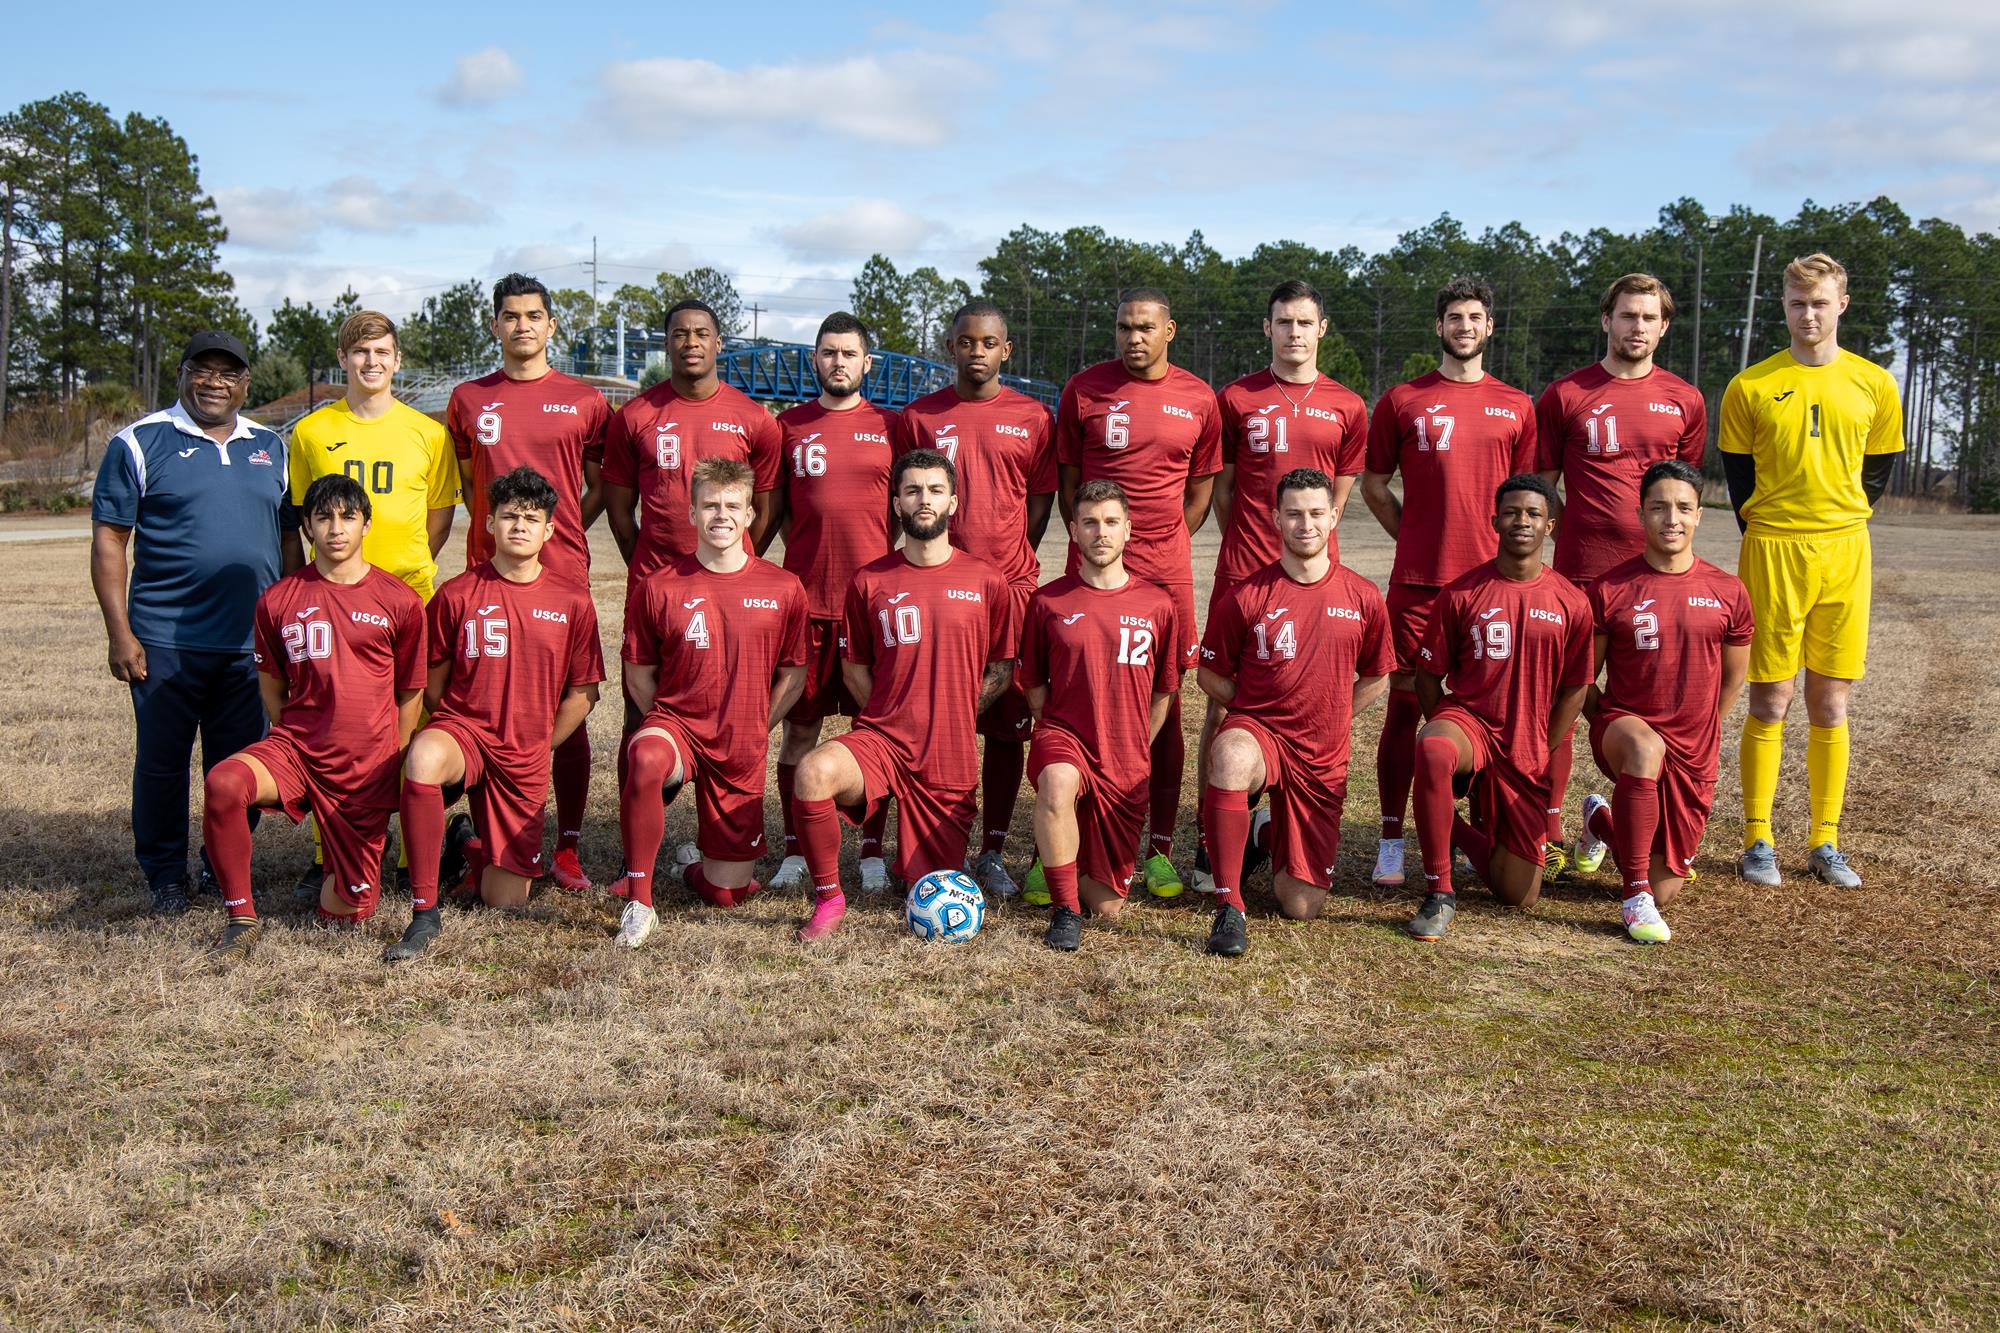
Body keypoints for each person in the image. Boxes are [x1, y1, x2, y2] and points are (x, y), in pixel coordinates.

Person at [90, 330, 302, 916]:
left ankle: (220, 867)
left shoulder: (271, 446)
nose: (215, 382)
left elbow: (289, 538)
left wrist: (287, 621)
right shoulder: (139, 442)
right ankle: (165, 875)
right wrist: (120, 632)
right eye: (202, 370)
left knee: (240, 765)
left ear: (246, 383)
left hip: (248, 644)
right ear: (181, 375)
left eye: (228, 373)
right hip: (165, 642)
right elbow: (110, 538)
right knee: (161, 763)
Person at [1721, 252, 1903, 889]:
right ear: (1784, 306)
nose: (1808, 314)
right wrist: (1781, 530)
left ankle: (1825, 841)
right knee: (1771, 698)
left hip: (1845, 550)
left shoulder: (1875, 384)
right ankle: (1758, 838)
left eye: (1820, 303)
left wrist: (1834, 521)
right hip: (1772, 549)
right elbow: (1740, 484)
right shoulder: (1750, 386)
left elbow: (1878, 473)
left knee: (1831, 701)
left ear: (1841, 305)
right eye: (1798, 304)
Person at [789, 449, 1016, 942]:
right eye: (912, 490)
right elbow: (854, 669)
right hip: (884, 740)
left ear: (954, 502)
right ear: (896, 502)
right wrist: (897, 713)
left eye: (935, 490)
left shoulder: (986, 580)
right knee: (813, 772)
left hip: (949, 753)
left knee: (926, 884)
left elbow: (1000, 668)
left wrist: (952, 716)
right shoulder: (870, 580)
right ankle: (829, 899)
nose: (924, 500)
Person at [199, 474, 425, 964]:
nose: (336, 529)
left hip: (366, 764)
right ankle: (240, 917)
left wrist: (395, 755)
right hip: (298, 750)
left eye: (347, 517)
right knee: (223, 782)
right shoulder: (278, 600)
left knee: (346, 912)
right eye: (323, 518)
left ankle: (360, 858)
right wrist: (299, 739)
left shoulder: (399, 600)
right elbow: (272, 689)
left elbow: (410, 692)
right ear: (306, 526)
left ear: (367, 523)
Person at [1360, 277, 1537, 895]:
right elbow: (1374, 483)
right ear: (1439, 327)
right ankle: (1389, 837)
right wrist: (1411, 534)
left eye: (1476, 317)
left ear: (1491, 327)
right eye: (1454, 317)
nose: (1465, 326)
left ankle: (1473, 829)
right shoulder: (1403, 400)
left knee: (1489, 711)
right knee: (1406, 705)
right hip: (1418, 585)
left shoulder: (1516, 405)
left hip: (1492, 589)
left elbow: (1527, 499)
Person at [383, 467, 603, 962]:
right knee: (424, 758)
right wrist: (459, 726)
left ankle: (467, 843)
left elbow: (584, 693)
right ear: (489, 524)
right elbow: (431, 682)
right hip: (466, 734)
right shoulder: (458, 594)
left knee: (503, 903)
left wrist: (538, 744)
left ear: (550, 529)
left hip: (524, 751)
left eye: (531, 518)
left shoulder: (572, 599)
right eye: (508, 516)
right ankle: (424, 911)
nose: (519, 526)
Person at [1193, 278, 1367, 894]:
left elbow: (1338, 496)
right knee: (1224, 708)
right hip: (1247, 572)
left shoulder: (1347, 405)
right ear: (1267, 329)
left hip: (1317, 585)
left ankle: (1281, 824)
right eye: (1283, 323)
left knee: (1313, 703)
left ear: (1322, 330)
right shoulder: (1236, 397)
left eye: (1304, 323)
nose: (1294, 333)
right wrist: (1250, 544)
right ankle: (1208, 841)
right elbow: (1224, 486)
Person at [1534, 273, 1705, 876]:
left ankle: (1614, 817)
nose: (1637, 327)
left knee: (1647, 708)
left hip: (1653, 583)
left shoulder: (1685, 399)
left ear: (1664, 326)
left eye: (1649, 317)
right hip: (1580, 573)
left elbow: (1680, 494)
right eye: (1627, 315)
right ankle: (1548, 829)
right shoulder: (1565, 395)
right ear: (1606, 320)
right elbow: (1542, 491)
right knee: (1558, 698)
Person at [446, 273, 612, 893]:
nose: (522, 325)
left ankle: (566, 847)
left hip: (561, 572)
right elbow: (468, 482)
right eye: (510, 316)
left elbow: (597, 485)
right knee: (488, 712)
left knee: (567, 707)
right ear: (495, 325)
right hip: (488, 580)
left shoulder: (586, 401)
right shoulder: (467, 399)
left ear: (551, 325)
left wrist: (557, 529)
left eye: (533, 315)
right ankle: (487, 844)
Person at [1055, 287, 1221, 899]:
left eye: (1145, 328)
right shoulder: (1084, 389)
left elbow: (1199, 493)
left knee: (1166, 704)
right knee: (1080, 698)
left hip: (1165, 573)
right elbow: (1073, 481)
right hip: (1092, 568)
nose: (1133, 338)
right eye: (1124, 327)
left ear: (1169, 330)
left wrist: (1160, 541)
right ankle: (1070, 835)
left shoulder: (1199, 397)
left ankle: (1157, 848)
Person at [290, 309, 459, 897]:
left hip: (408, 592)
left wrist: (399, 574)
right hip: (333, 596)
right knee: (333, 719)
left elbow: (440, 514)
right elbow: (301, 516)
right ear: (343, 360)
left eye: (382, 352)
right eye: (360, 353)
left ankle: (416, 854)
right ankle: (327, 850)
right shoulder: (311, 432)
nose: (372, 362)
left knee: (417, 716)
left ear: (398, 359)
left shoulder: (428, 433)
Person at [1196, 468, 1391, 957]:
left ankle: (1263, 831)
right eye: (1294, 513)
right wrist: (1249, 713)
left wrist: (1335, 715)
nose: (1306, 523)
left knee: (1301, 905)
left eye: (1316, 513)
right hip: (1261, 732)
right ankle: (1229, 905)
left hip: (1321, 752)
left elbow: (1377, 676)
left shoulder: (1363, 596)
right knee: (1232, 753)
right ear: (1276, 519)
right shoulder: (1246, 594)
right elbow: (1207, 673)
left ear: (1334, 517)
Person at [615, 459, 809, 948]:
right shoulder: (659, 585)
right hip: (678, 729)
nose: (720, 515)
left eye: (732, 506)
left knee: (728, 896)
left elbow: (794, 672)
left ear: (748, 515)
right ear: (692, 513)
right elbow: (638, 673)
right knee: (644, 755)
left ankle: (691, 869)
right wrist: (664, 720)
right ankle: (640, 902)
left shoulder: (783, 587)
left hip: (741, 742)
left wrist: (755, 725)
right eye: (710, 505)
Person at [901, 300, 1056, 900]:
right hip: (940, 590)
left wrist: (1006, 565)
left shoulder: (1033, 417)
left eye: (988, 343)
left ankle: (991, 848)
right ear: (951, 346)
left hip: (1009, 589)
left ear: (1004, 350)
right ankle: (929, 841)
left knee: (1006, 725)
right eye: (966, 342)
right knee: (939, 717)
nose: (976, 353)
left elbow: (1038, 504)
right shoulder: (919, 416)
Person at [1405, 474, 1592, 940]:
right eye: (1511, 512)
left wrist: (1543, 747)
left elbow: (1575, 688)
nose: (1521, 521)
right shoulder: (1462, 593)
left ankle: (1453, 830)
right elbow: (1428, 675)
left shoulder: (1572, 602)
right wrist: (1447, 730)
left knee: (1518, 895)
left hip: (1527, 741)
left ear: (1550, 525)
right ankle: (1439, 892)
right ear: (1494, 521)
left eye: (1532, 514)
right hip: (1472, 723)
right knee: (1433, 750)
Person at [1577, 460, 1752, 943]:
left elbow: (1734, 678)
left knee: (1667, 887)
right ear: (1640, 515)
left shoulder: (1728, 591)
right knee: (1644, 750)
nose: (1670, 518)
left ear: (1699, 516)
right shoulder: (1610, 589)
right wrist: (1609, 724)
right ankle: (1633, 897)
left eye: (1683, 508)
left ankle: (1598, 819)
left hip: (1694, 743)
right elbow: (1582, 680)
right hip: (1625, 727)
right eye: (1658, 507)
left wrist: (1704, 728)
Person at [767, 313, 903, 895]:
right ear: (815, 360)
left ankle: (872, 851)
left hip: (870, 609)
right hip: (806, 604)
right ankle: (797, 850)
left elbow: (905, 510)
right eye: (828, 353)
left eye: (850, 353)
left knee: (874, 731)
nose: (839, 362)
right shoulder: (789, 426)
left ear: (867, 363)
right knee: (800, 731)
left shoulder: (894, 426)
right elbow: (784, 513)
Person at [1018, 480, 1178, 952]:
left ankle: (1055, 858)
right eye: (1089, 522)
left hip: (1125, 759)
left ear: (1129, 530)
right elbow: (1034, 685)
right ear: (1073, 531)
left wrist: (1133, 743)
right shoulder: (1048, 602)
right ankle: (1064, 911)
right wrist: (1055, 729)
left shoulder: (1158, 604)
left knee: (1107, 906)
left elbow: (1165, 691)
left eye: (1110, 522)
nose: (1100, 533)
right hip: (1064, 736)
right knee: (1058, 781)